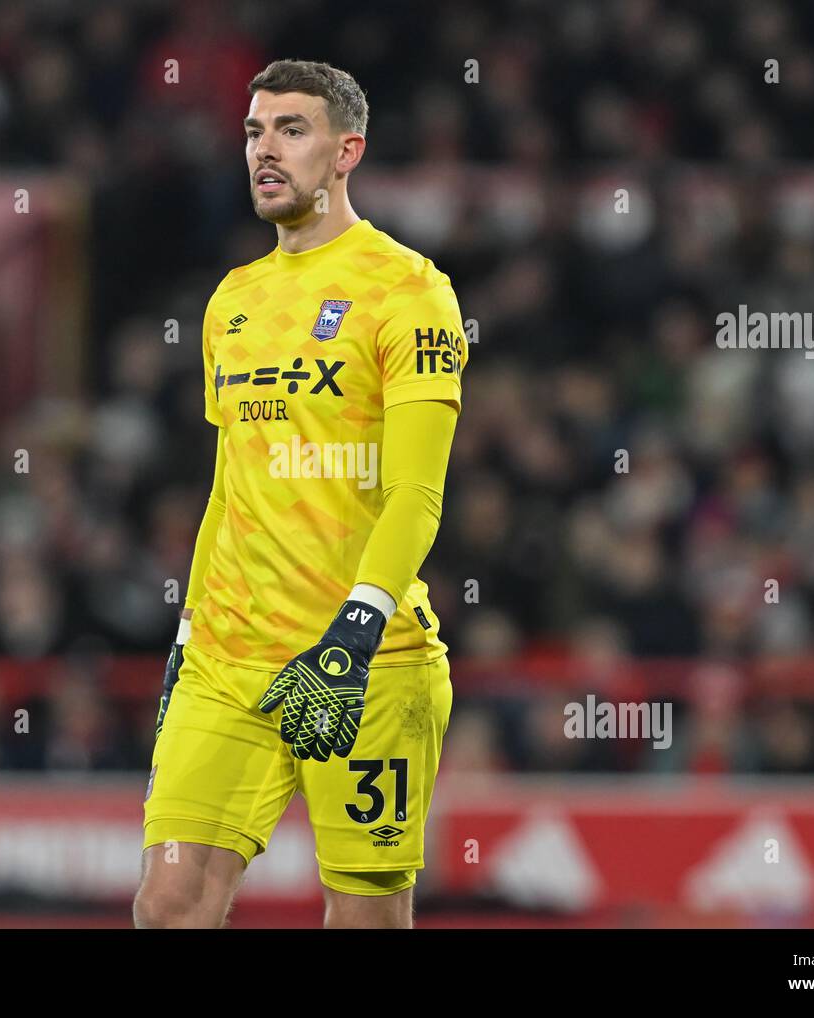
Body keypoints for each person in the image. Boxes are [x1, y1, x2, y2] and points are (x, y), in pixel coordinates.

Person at [134, 59, 468, 929]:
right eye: (253, 132)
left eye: (291, 130)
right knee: (169, 904)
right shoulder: (231, 301)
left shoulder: (410, 292)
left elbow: (416, 496)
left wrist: (351, 639)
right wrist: (184, 637)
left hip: (367, 663)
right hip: (228, 661)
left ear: (346, 151)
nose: (264, 151)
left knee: (365, 915)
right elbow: (227, 487)